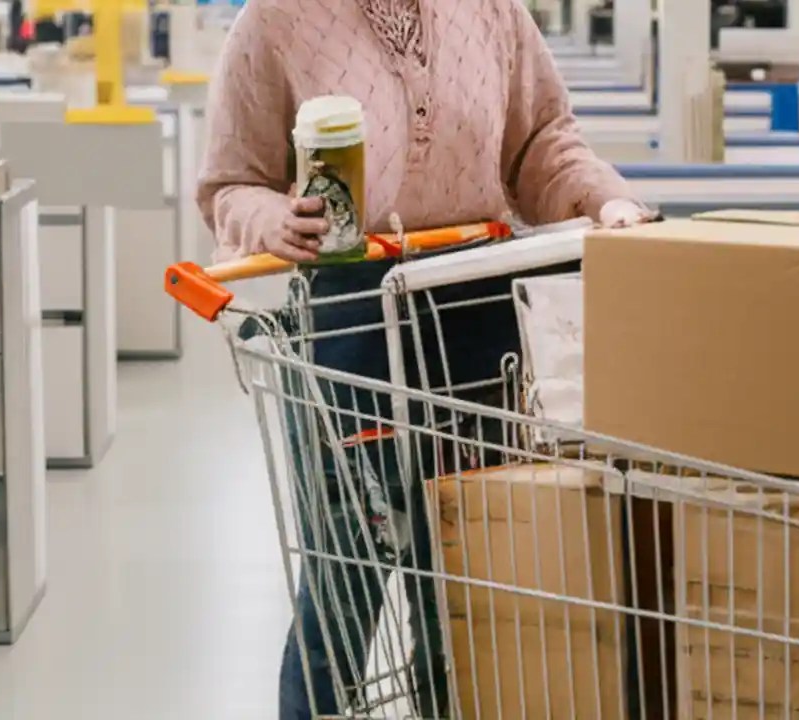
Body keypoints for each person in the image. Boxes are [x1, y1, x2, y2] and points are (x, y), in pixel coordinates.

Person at [197, 0, 651, 717]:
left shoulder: (494, 10)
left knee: (466, 581)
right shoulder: (274, 21)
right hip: (350, 318)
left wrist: (603, 201)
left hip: (476, 311)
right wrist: (272, 220)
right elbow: (231, 182)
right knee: (346, 582)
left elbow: (541, 141)